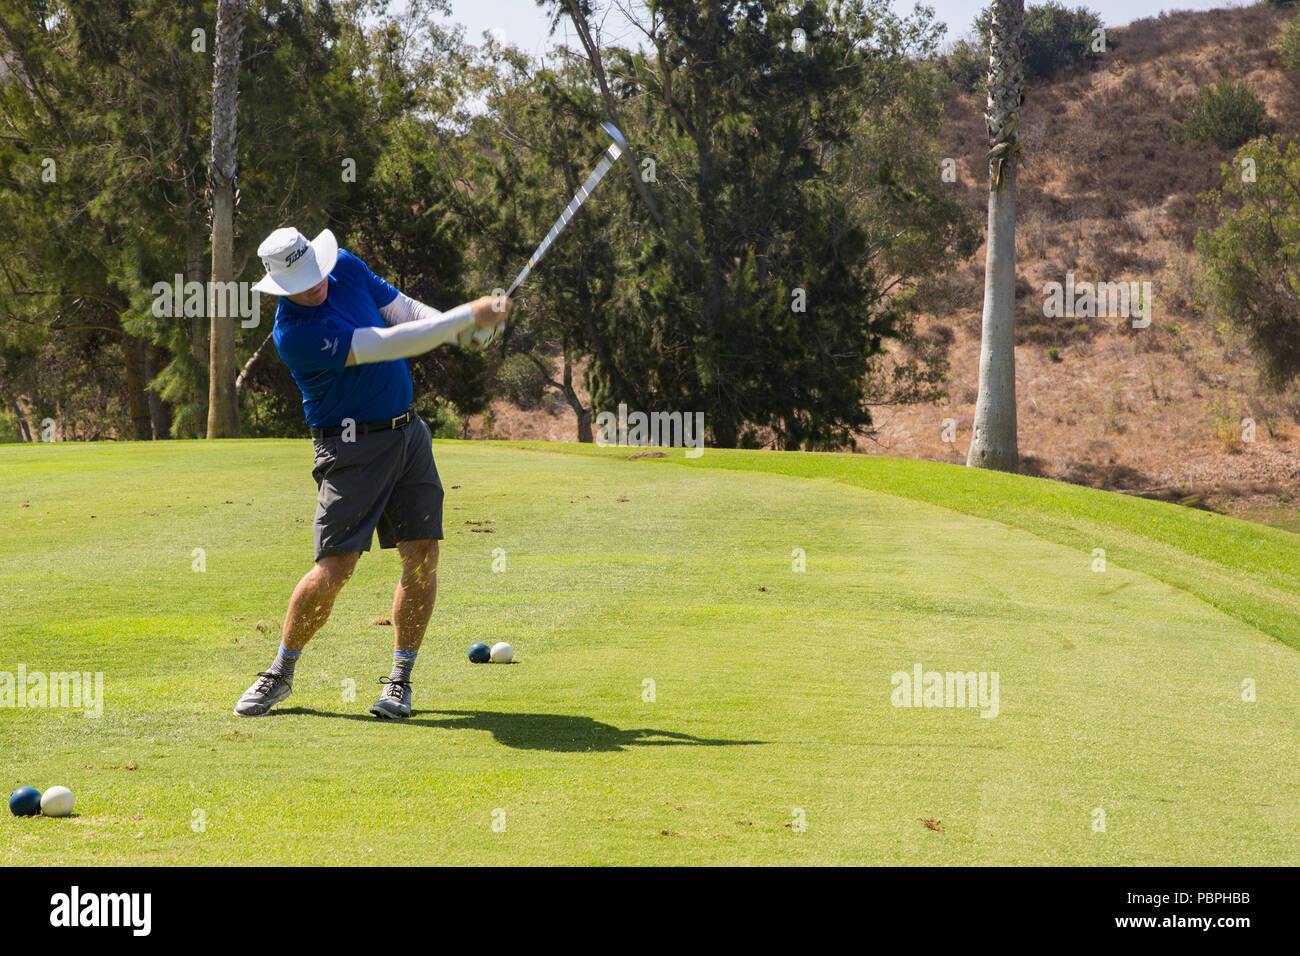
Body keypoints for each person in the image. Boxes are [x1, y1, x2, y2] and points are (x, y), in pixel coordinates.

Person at [233, 226, 510, 719]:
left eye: (315, 272)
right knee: (336, 567)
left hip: (408, 433)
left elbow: (406, 313)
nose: (315, 284)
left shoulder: (345, 266)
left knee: (423, 554)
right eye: (301, 282)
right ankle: (280, 671)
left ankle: (399, 681)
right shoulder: (295, 335)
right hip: (350, 447)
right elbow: (386, 342)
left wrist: (462, 327)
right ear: (279, 285)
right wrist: (466, 317)